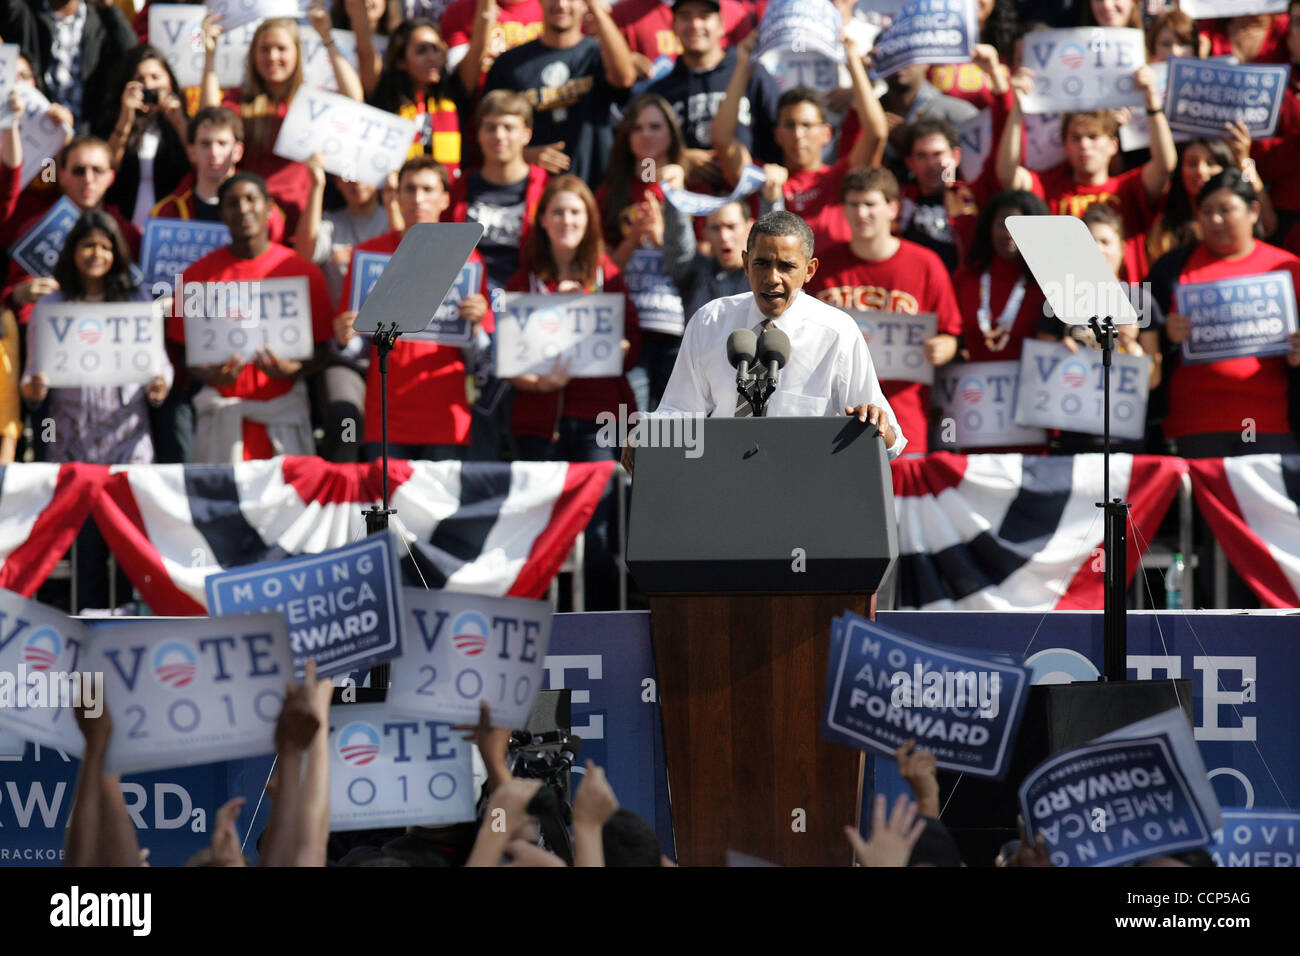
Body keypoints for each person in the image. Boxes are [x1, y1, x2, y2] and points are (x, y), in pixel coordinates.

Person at [655, 209, 905, 459]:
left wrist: (878, 425)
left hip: (805, 487)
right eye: (761, 263)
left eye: (786, 267)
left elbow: (890, 440)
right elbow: (678, 413)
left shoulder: (838, 333)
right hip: (723, 482)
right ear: (745, 263)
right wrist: (646, 436)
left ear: (809, 270)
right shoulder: (710, 321)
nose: (772, 278)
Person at [18, 210, 170, 608]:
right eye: (88, 246)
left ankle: (122, 629)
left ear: (116, 253)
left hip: (127, 442)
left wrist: (159, 385)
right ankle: (88, 633)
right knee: (85, 548)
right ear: (73, 252)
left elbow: (161, 367)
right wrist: (34, 390)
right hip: (72, 442)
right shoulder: (51, 306)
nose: (97, 254)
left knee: (126, 546)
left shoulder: (137, 301)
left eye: (105, 246)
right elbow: (33, 376)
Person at [506, 175, 641, 609]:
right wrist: (539, 383)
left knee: (598, 528)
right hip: (538, 422)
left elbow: (633, 349)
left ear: (590, 220)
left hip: (598, 421)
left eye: (576, 212)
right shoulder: (523, 282)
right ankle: (548, 630)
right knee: (540, 533)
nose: (567, 220)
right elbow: (508, 363)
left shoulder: (608, 274)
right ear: (542, 219)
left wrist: (613, 345)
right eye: (558, 211)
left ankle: (601, 633)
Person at [166, 173, 334, 463]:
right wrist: (211, 375)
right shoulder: (196, 278)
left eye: (250, 199)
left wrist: (292, 368)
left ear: (269, 208)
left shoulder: (303, 273)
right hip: (221, 419)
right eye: (232, 203)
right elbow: (183, 354)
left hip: (285, 416)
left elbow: (322, 349)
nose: (243, 209)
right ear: (221, 213)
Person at [334, 157, 492, 462]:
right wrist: (345, 336)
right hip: (387, 416)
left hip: (446, 417)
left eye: (427, 189)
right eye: (409, 189)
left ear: (446, 198)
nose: (418, 198)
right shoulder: (367, 255)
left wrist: (477, 325)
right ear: (396, 196)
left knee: (441, 510)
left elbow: (482, 359)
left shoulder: (469, 261)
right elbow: (355, 346)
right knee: (386, 507)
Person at [807, 167, 960, 456]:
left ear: (893, 208)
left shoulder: (926, 264)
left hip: (905, 419)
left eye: (870, 204)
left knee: (901, 500)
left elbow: (952, 334)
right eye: (852, 204)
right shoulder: (820, 267)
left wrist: (944, 348)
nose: (861, 213)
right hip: (833, 415)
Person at [1150, 170, 1300, 459]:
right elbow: (1141, 329)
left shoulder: (1288, 268)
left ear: (1253, 211)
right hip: (1193, 425)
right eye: (1206, 212)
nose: (1215, 220)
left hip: (1267, 423)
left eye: (1225, 210)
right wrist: (1164, 333)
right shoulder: (1171, 267)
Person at [997, 62, 1176, 279]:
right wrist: (1017, 107)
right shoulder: (1047, 187)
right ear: (1065, 145)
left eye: (1093, 137)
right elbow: (1007, 174)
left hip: (1128, 302)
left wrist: (1151, 101)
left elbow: (1165, 165)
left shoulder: (1129, 187)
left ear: (1113, 145)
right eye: (1076, 138)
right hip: (1067, 303)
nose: (1084, 145)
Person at [713, 32, 887, 248]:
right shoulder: (761, 179)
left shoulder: (842, 179)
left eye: (807, 125)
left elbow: (877, 134)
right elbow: (722, 140)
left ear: (826, 133)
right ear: (777, 134)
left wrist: (852, 61)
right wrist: (742, 66)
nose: (798, 134)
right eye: (789, 125)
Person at [199, 8, 364, 234]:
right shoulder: (241, 100)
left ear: (297, 54)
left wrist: (327, 37)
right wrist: (209, 57)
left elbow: (354, 100)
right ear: (253, 54)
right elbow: (209, 122)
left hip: (303, 225)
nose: (273, 57)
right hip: (253, 225)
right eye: (265, 49)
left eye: (281, 49)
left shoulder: (311, 101)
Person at [482, 0, 638, 184]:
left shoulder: (599, 55)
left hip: (598, 187)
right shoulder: (509, 64)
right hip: (534, 192)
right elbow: (485, 133)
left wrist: (597, 10)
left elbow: (625, 78)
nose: (561, 4)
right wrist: (524, 154)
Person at [599, 93, 688, 411]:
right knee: (633, 420)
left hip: (677, 324)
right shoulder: (610, 193)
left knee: (673, 422)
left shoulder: (690, 188)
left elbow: (705, 258)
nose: (646, 135)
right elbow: (602, 268)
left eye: (655, 126)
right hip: (629, 325)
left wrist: (664, 238)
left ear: (671, 132)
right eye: (637, 128)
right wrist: (633, 238)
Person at [3, 136, 141, 327]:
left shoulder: (128, 233)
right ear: (62, 175)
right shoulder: (35, 228)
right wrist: (19, 295)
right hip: (50, 335)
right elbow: (13, 293)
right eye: (78, 171)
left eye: (97, 171)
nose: (88, 179)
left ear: (111, 177)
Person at [645, 0, 778, 179]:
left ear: (721, 25)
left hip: (748, 193)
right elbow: (642, 167)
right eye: (685, 17)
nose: (695, 24)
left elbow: (780, 135)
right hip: (683, 197)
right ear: (673, 27)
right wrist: (677, 159)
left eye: (704, 16)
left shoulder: (749, 71)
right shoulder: (659, 92)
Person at [150, 107, 289, 244]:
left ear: (238, 151)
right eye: (205, 144)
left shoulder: (265, 213)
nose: (214, 153)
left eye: (222, 144)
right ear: (191, 152)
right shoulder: (167, 212)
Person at [95, 44, 192, 231]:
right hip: (123, 225)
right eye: (140, 79)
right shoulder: (113, 121)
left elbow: (199, 163)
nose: (148, 85)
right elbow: (107, 168)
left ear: (170, 81)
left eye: (156, 77)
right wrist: (126, 116)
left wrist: (179, 120)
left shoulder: (184, 121)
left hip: (172, 224)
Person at [2, 0, 138, 130]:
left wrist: (107, 6)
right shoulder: (24, 11)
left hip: (84, 132)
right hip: (35, 131)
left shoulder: (99, 19)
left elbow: (132, 54)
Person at [953, 189, 1049, 363]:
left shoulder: (1048, 287)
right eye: (1002, 224)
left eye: (1018, 227)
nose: (1008, 233)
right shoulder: (965, 280)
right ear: (988, 227)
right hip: (971, 387)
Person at [1148, 131, 1276, 261]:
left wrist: (1245, 161)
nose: (1201, 171)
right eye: (1192, 164)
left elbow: (1268, 225)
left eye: (1211, 163)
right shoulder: (1166, 227)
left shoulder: (1243, 212)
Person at [365, 17, 468, 177]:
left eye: (436, 49)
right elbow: (364, 50)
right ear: (401, 61)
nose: (432, 57)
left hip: (446, 196)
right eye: (421, 51)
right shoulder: (386, 100)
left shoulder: (455, 93)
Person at [662, 192, 751, 328]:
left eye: (731, 226)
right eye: (715, 228)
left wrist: (771, 198)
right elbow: (679, 246)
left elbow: (774, 248)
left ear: (749, 228)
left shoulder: (763, 276)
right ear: (705, 233)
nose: (724, 236)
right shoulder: (695, 273)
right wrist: (675, 192)